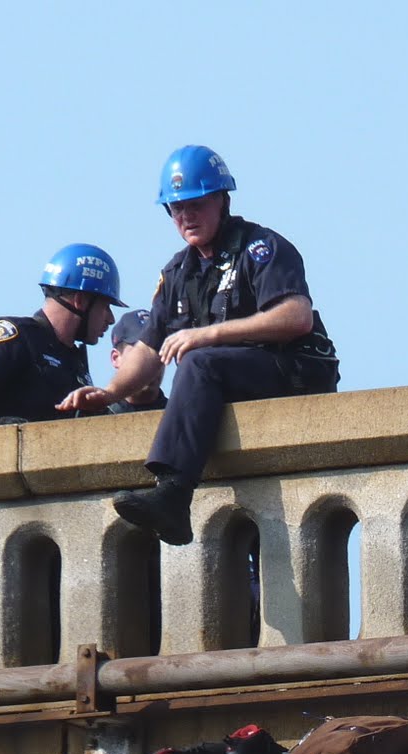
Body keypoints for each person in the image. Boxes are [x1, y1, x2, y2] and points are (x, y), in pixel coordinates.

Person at [59, 144, 339, 546]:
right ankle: (170, 494)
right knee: (199, 363)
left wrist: (204, 334)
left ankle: (173, 495)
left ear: (222, 201)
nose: (186, 217)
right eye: (176, 209)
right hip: (236, 376)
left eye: (196, 204)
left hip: (294, 371)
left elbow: (296, 317)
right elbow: (150, 351)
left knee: (198, 361)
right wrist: (109, 393)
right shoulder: (178, 272)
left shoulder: (261, 247)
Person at [0, 244, 124, 428]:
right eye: (105, 306)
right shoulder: (19, 336)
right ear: (80, 301)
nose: (111, 319)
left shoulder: (75, 361)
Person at [105, 311, 168, 414]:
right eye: (139, 352)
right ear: (115, 358)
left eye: (157, 350)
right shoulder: (97, 416)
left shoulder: (181, 417)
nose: (149, 361)